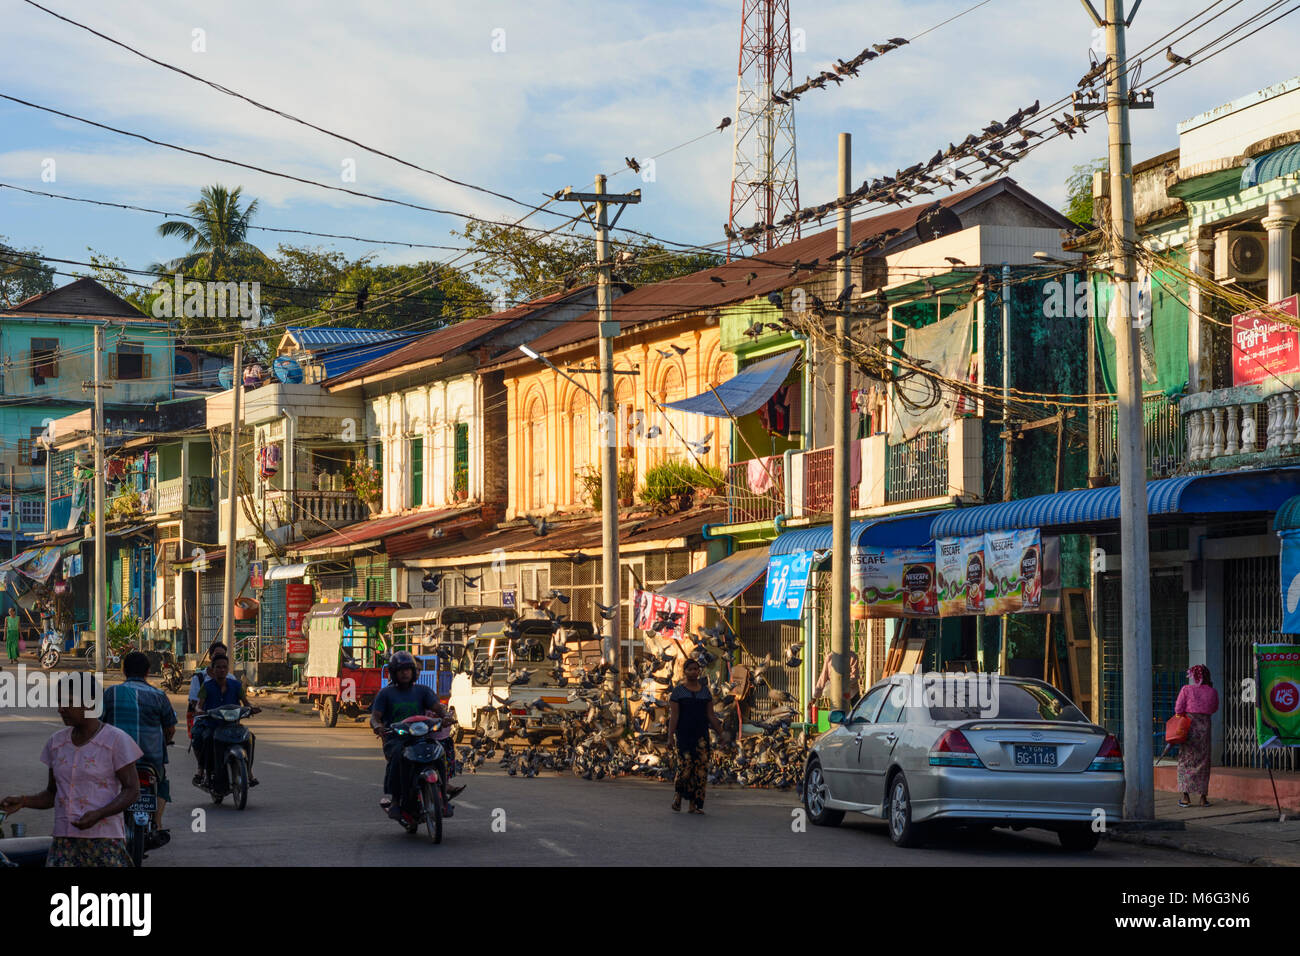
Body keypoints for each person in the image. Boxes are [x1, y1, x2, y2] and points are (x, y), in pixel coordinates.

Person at [1, 675, 141, 867]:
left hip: (105, 841)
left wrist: (100, 813)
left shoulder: (116, 740)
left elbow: (132, 790)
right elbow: (52, 793)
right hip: (63, 842)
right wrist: (24, 801)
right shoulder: (56, 743)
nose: (60, 709)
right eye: (59, 702)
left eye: (67, 702)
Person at [370, 650, 462, 819]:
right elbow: (375, 718)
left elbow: (438, 708)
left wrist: (446, 717)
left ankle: (443, 799)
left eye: (408, 669)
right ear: (394, 673)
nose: (405, 673)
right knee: (398, 758)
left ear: (413, 671)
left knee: (438, 753)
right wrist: (378, 727)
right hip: (396, 739)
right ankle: (396, 802)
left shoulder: (423, 691)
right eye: (400, 670)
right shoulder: (386, 694)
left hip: (420, 736)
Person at [101, 651, 177, 846]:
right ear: (148, 671)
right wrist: (166, 740)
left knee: (106, 786)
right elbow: (170, 728)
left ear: (123, 670)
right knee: (161, 784)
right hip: (151, 759)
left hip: (117, 760)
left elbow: (99, 725)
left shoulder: (111, 693)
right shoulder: (159, 696)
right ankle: (158, 825)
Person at [667, 657, 723, 814]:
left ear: (700, 671)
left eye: (696, 669)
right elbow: (674, 716)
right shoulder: (678, 692)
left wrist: (721, 734)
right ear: (684, 671)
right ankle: (678, 796)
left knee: (700, 770)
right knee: (685, 767)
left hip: (701, 738)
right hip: (684, 736)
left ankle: (695, 804)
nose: (694, 672)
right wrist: (670, 737)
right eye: (690, 669)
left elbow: (711, 715)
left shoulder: (705, 691)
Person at [192, 655, 259, 786]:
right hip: (213, 725)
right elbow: (199, 705)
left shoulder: (236, 685)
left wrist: (251, 709)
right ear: (213, 669)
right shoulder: (207, 686)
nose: (221, 670)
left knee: (250, 738)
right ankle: (203, 771)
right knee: (205, 739)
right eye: (218, 667)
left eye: (224, 667)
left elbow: (246, 703)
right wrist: (199, 710)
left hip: (233, 725)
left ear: (228, 669)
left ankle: (249, 772)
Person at [1175, 663, 1220, 808]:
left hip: (1189, 729)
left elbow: (1178, 708)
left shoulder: (1186, 690)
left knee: (1185, 761)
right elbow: (1214, 708)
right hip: (1204, 730)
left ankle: (1186, 797)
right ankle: (1203, 798)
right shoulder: (1212, 691)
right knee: (1203, 762)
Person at [187, 641, 227, 736]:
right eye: (217, 655)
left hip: (227, 722)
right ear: (210, 657)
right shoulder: (201, 680)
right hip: (206, 722)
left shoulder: (232, 680)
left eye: (223, 655)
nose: (219, 658)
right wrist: (200, 711)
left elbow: (241, 701)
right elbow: (195, 702)